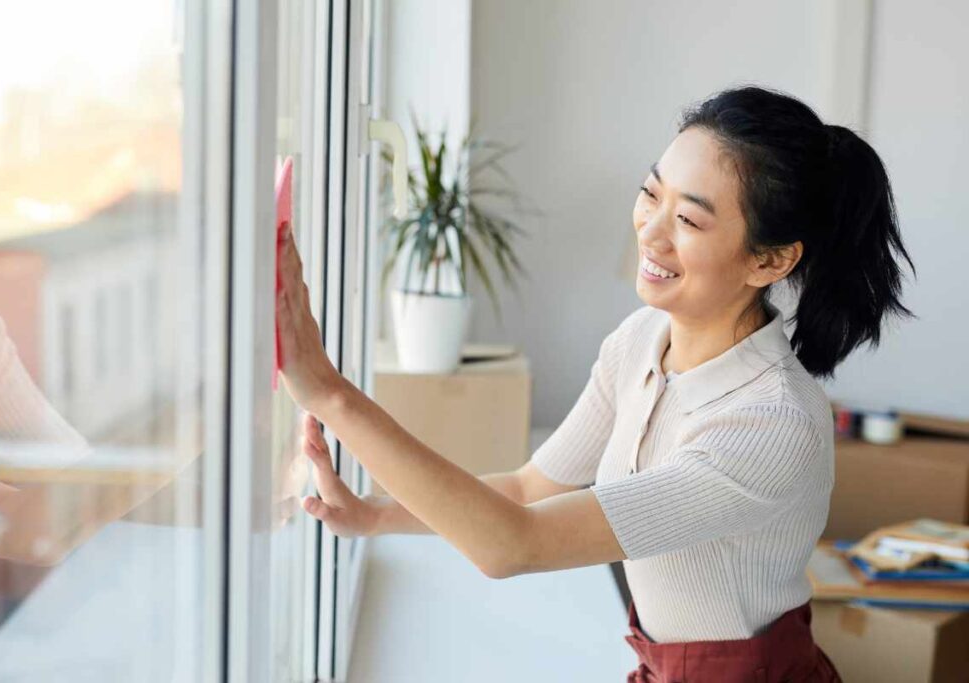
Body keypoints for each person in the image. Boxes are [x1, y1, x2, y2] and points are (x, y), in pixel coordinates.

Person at [274, 85, 915, 682]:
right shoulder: (640, 339)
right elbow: (528, 491)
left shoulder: (771, 423)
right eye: (650, 194)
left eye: (689, 221)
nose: (651, 231)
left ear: (770, 260)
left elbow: (513, 545)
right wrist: (374, 516)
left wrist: (331, 393)